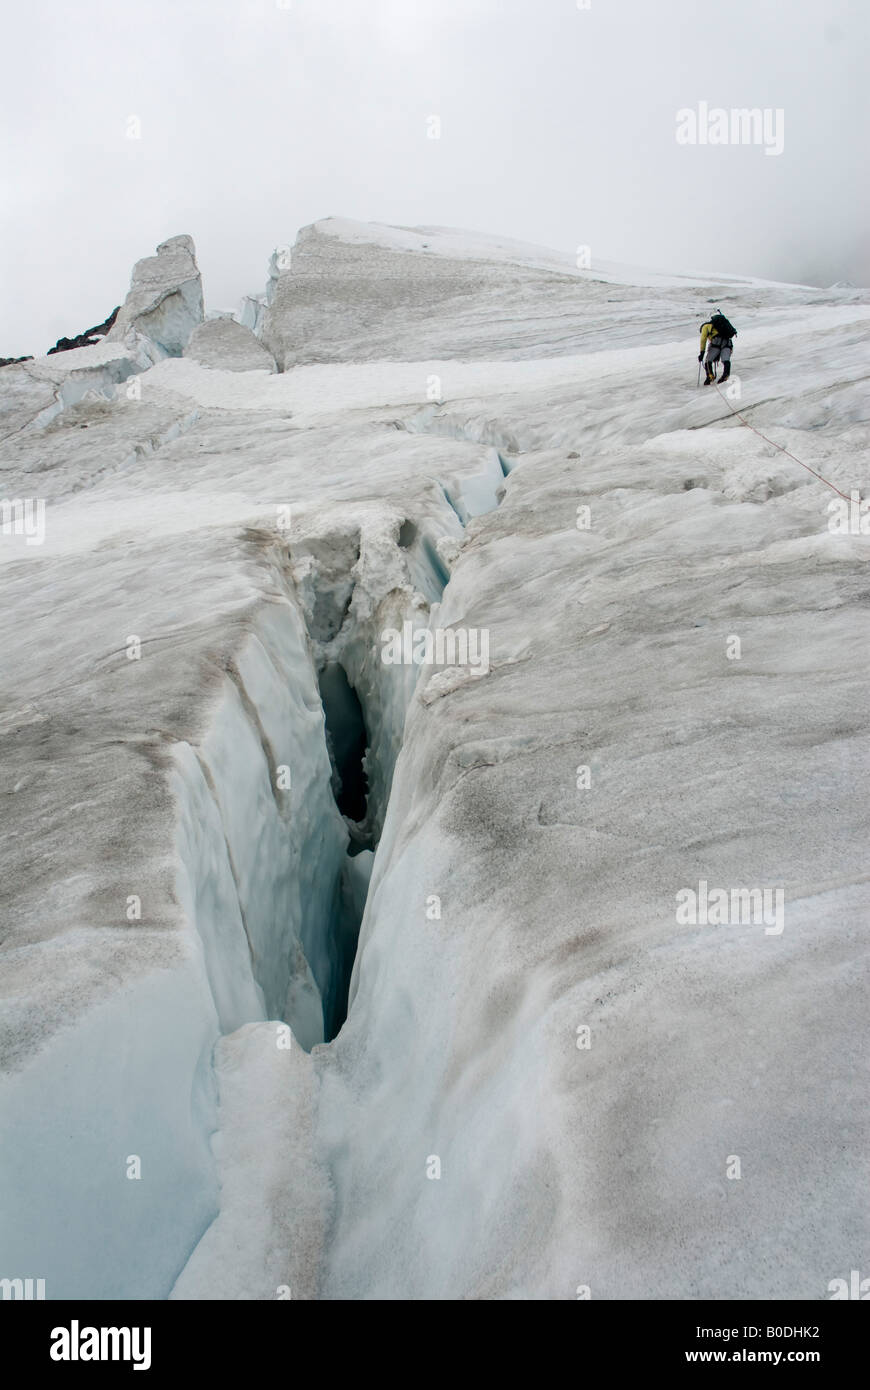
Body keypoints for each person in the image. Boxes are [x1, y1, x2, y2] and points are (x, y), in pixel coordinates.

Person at [698, 309, 734, 386]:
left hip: (716, 342)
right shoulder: (721, 325)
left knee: (708, 361)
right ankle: (726, 375)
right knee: (725, 360)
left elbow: (703, 339)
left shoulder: (705, 327)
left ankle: (710, 376)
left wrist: (702, 353)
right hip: (728, 342)